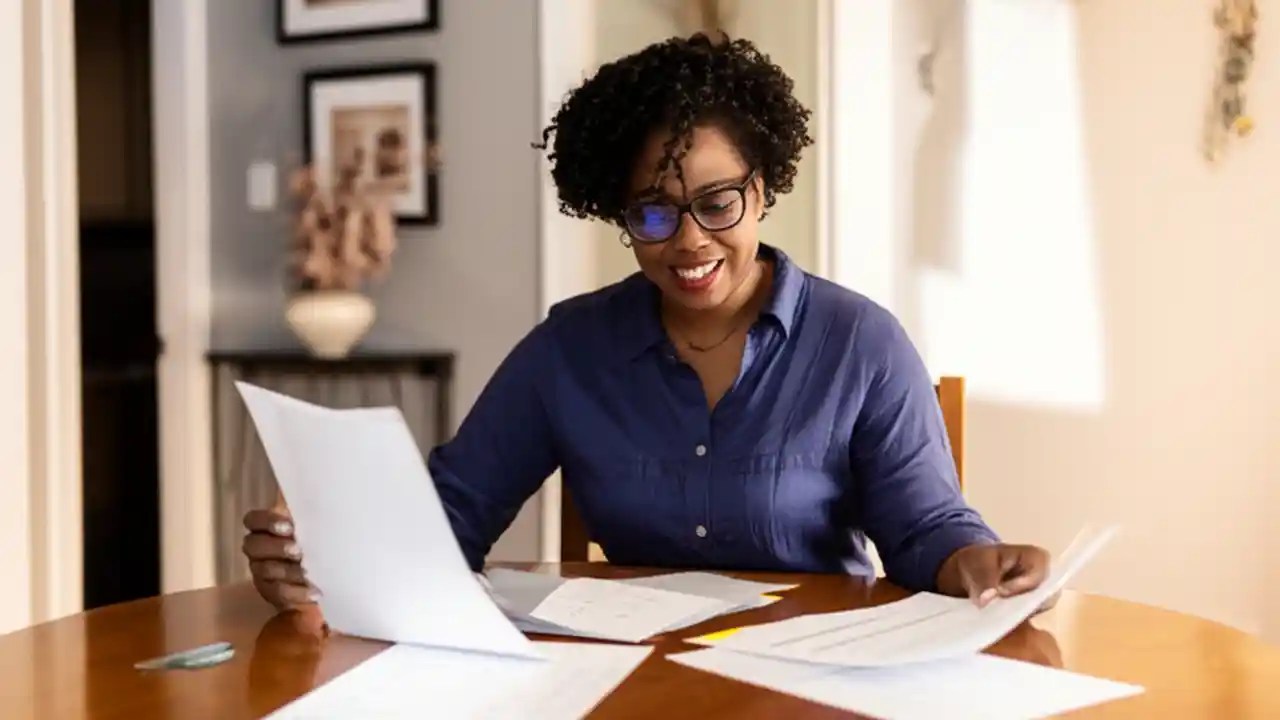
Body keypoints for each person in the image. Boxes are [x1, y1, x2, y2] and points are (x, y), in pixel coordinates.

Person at [242, 33, 1053, 617]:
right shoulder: (569, 349)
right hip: (625, 691)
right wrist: (324, 564)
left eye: (717, 202)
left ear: (763, 189)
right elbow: (454, 512)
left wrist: (978, 563)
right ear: (620, 216)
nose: (690, 239)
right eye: (654, 214)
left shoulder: (860, 344)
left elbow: (923, 528)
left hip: (814, 691)